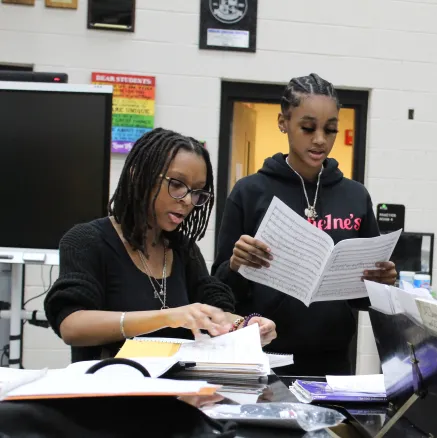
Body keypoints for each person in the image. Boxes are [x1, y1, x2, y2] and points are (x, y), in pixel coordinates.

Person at [212, 73, 397, 376]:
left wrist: (382, 284)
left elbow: (362, 300)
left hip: (333, 363)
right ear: (283, 122)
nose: (320, 139)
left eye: (331, 129)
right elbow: (218, 290)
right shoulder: (250, 192)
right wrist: (235, 265)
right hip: (263, 358)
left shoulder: (355, 196)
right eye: (308, 128)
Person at [44, 128, 277, 363]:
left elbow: (214, 309)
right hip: (109, 383)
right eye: (176, 184)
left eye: (197, 192)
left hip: (172, 385)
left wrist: (246, 325)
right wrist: (167, 317)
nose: (187, 200)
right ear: (138, 175)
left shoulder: (183, 249)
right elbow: (71, 326)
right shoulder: (87, 240)